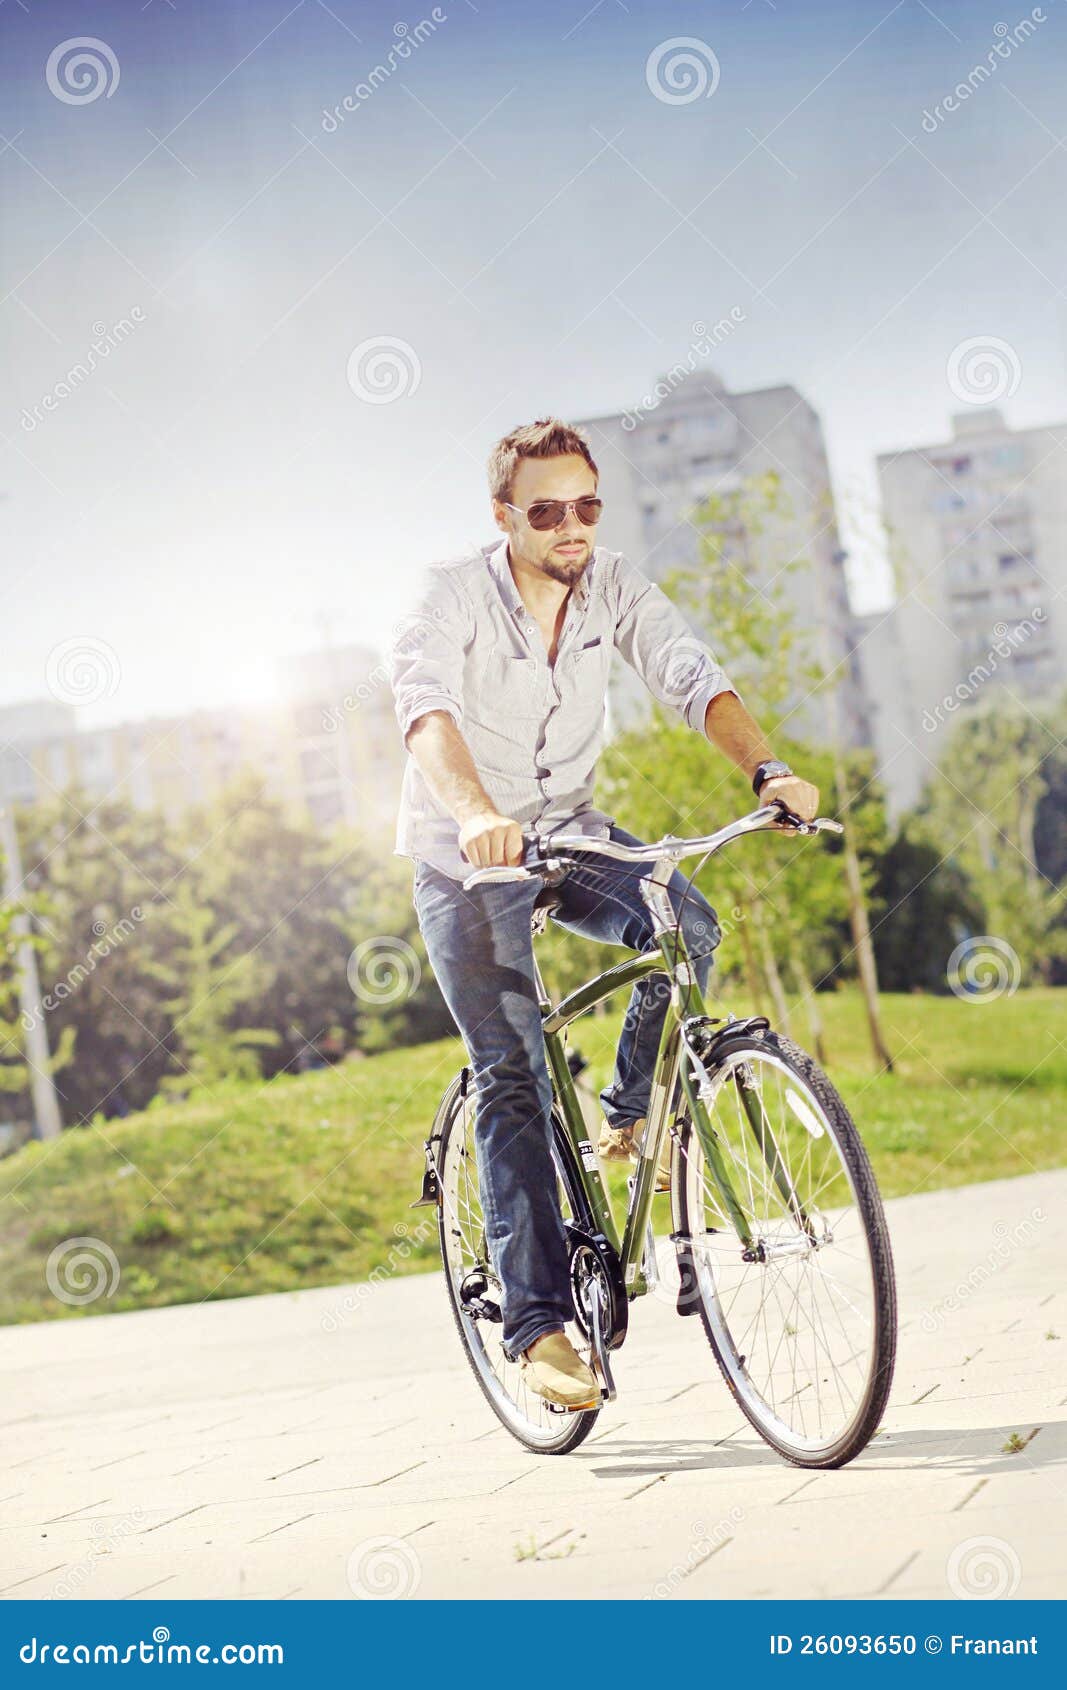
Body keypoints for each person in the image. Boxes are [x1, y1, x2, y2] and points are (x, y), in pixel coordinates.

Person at [388, 418, 818, 1409]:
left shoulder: (611, 582)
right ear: (504, 516)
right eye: (546, 511)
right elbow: (423, 708)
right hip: (468, 856)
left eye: (586, 504)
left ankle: (626, 1119)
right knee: (513, 1072)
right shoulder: (448, 594)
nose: (571, 526)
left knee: (686, 928)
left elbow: (689, 674)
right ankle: (536, 1327)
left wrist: (766, 767)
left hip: (570, 831)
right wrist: (475, 812)